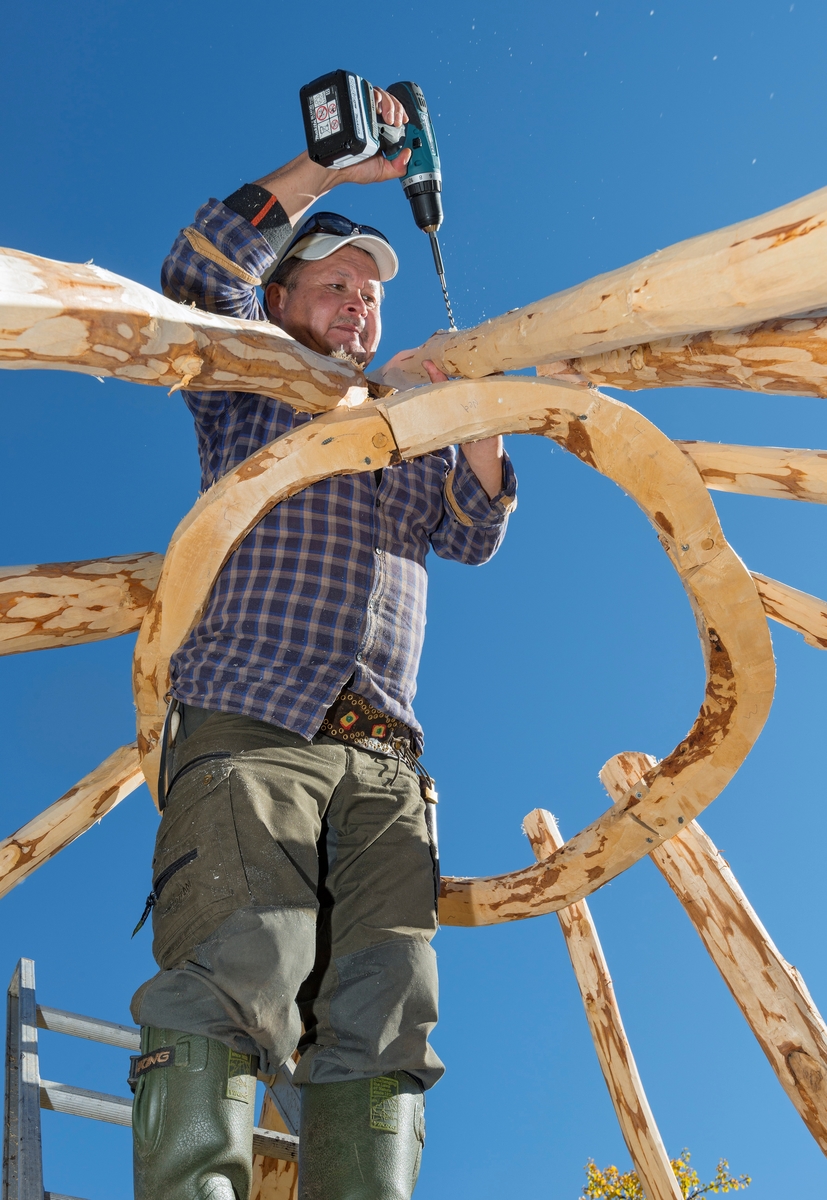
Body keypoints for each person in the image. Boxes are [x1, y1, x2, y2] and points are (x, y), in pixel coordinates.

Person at [128, 86, 517, 1200]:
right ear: (285, 297)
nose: (357, 304)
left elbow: (473, 530)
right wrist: (327, 172)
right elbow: (199, 272)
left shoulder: (403, 435)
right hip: (252, 719)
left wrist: (477, 411)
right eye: (334, 282)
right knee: (235, 969)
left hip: (387, 761)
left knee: (388, 1006)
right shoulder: (253, 385)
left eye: (368, 295)